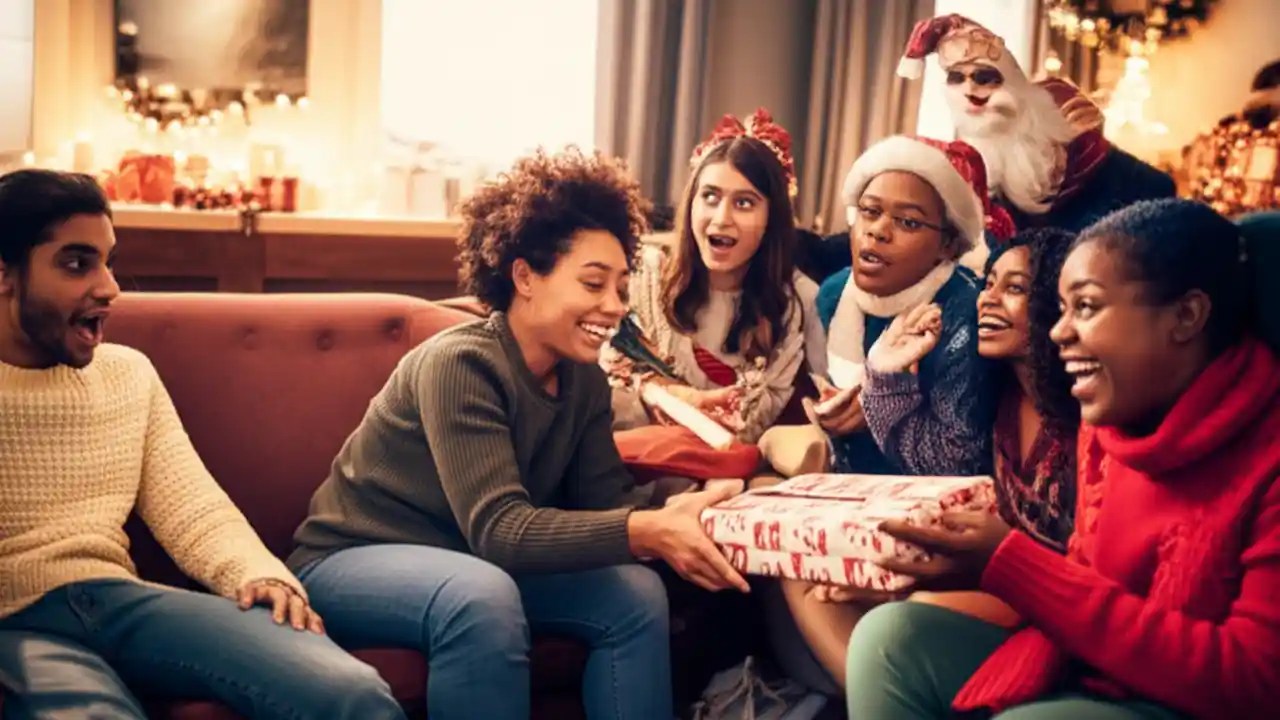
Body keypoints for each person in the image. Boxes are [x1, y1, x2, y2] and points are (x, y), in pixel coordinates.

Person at [288, 148, 749, 720]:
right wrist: (648, 530)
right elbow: (500, 530)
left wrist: (692, 510)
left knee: (632, 594)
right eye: (593, 284)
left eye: (622, 289)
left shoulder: (582, 379)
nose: (613, 307)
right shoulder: (461, 364)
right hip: (354, 559)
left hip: (469, 563)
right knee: (479, 594)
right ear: (525, 276)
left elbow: (609, 506)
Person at [846, 198, 1280, 720]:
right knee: (888, 638)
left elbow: (1255, 681)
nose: (1058, 331)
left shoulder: (1266, 456)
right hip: (1088, 659)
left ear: (1186, 316)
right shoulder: (1105, 425)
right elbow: (1082, 575)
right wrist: (960, 566)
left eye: (1087, 307)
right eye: (1061, 308)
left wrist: (1007, 566)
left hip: (1194, 700)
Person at [0, 169, 403, 719]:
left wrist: (256, 573)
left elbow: (192, 506)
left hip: (120, 600)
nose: (109, 287)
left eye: (108, 262)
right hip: (14, 621)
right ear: (5, 274)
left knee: (352, 691)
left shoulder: (128, 375)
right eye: (77, 264)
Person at [763, 136, 1006, 689]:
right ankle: (872, 692)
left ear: (947, 246)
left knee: (818, 581)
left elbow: (955, 463)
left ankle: (881, 695)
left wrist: (876, 400)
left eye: (908, 221)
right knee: (782, 540)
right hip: (860, 493)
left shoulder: (963, 311)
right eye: (869, 213)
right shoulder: (833, 296)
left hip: (939, 513)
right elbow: (845, 414)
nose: (876, 231)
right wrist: (835, 418)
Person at [603, 108, 826, 444]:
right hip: (636, 461)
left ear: (772, 218)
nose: (721, 218)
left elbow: (816, 406)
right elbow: (607, 381)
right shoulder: (642, 279)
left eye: (745, 203)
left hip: (739, 469)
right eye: (710, 197)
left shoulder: (799, 302)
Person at [912, 226, 1079, 628]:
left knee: (913, 607)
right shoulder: (996, 396)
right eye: (988, 284)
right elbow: (930, 462)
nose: (987, 299)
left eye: (1015, 288)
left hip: (1066, 601)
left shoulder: (1088, 410)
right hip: (999, 580)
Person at [896, 13, 1175, 233]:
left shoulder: (1073, 138)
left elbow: (1157, 192)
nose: (969, 90)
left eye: (984, 77)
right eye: (957, 78)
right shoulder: (975, 160)